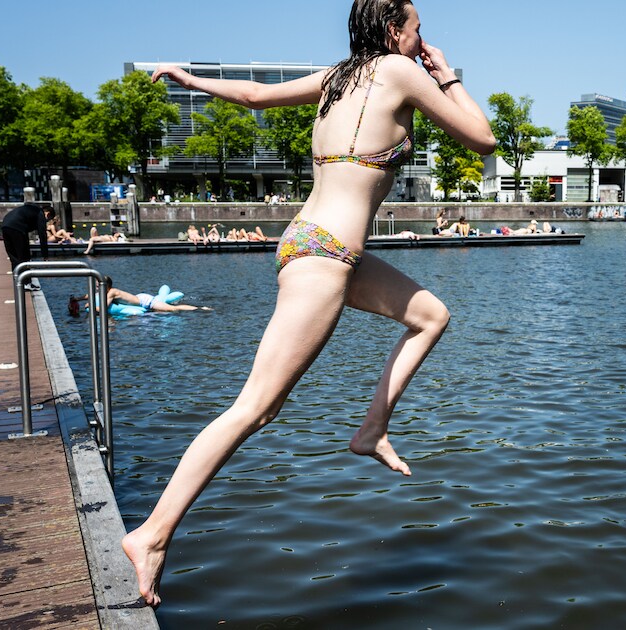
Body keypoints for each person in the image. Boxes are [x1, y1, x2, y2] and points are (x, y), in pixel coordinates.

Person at [122, 0, 494, 608]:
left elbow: (253, 96)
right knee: (255, 408)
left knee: (431, 316)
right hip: (326, 257)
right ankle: (153, 534)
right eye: (418, 28)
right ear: (394, 30)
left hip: (314, 243)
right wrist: (448, 75)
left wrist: (190, 79)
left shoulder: (337, 76)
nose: (423, 38)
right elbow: (482, 139)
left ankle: (372, 430)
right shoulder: (400, 71)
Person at [73, 276, 212, 314]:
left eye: (99, 285)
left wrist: (90, 306)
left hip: (146, 301)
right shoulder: (106, 292)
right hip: (140, 298)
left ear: (106, 285)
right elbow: (90, 295)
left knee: (173, 309)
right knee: (168, 309)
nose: (97, 287)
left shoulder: (112, 292)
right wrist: (77, 299)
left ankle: (199, 308)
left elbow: (103, 308)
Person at [1, 203, 54, 288]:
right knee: (24, 256)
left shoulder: (31, 210)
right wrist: (45, 256)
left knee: (14, 257)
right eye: (48, 220)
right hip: (18, 227)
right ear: (47, 214)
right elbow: (42, 235)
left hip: (5, 225)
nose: (46, 222)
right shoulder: (40, 213)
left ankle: (18, 283)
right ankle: (26, 283)